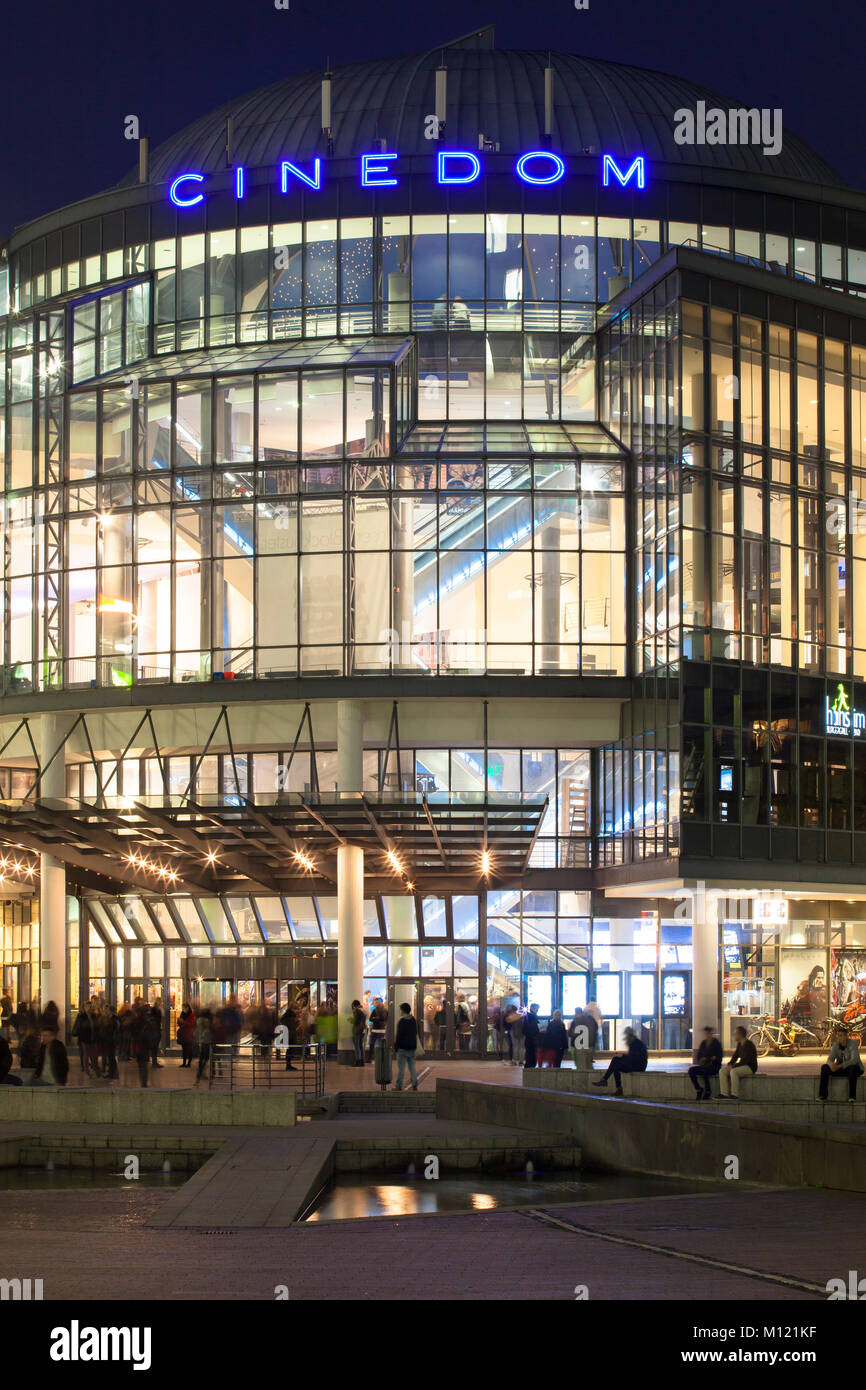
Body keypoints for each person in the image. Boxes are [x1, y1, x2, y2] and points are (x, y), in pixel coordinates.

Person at [592, 1027, 648, 1095]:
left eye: (626, 1036)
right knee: (616, 1066)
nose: (625, 1038)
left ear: (630, 1036)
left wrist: (622, 1056)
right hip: (636, 1064)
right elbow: (632, 1058)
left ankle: (606, 1081)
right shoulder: (635, 1043)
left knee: (615, 1060)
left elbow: (633, 1058)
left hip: (638, 1067)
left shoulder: (636, 1044)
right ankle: (616, 1087)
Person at [819, 1026, 864, 1102]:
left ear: (846, 1036)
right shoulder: (835, 1045)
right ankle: (822, 1095)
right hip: (840, 1069)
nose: (839, 1038)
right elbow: (829, 1059)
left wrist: (840, 1065)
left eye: (841, 1036)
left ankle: (852, 1097)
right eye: (838, 1036)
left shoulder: (852, 1044)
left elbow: (854, 1060)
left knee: (852, 1068)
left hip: (853, 1068)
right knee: (824, 1067)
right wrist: (831, 1066)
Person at [718, 1026, 758, 1098]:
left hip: (750, 1067)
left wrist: (733, 1066)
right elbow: (735, 1056)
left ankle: (734, 1094)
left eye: (735, 1034)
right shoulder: (739, 1044)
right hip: (742, 1065)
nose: (734, 1036)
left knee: (734, 1072)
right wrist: (730, 1064)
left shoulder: (749, 1045)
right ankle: (724, 1093)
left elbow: (746, 1060)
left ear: (740, 1035)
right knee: (722, 1071)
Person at [688, 1026, 724, 1100]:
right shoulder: (703, 1043)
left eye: (709, 1033)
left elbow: (718, 1057)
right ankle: (698, 1088)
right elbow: (699, 1056)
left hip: (714, 1066)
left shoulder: (716, 1044)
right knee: (691, 1070)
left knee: (705, 1071)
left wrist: (710, 1059)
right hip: (705, 1065)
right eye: (706, 1034)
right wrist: (702, 1060)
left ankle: (708, 1090)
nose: (707, 1035)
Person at [393, 1002, 419, 1091]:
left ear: (403, 1010)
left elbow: (399, 1036)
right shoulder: (413, 1020)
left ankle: (398, 1086)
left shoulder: (402, 1021)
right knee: (412, 1067)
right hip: (411, 1047)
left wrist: (396, 1047)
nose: (400, 1011)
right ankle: (415, 1083)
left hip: (402, 1048)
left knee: (401, 1069)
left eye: (401, 1010)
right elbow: (415, 1033)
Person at [177, 1002, 196, 1068]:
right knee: (184, 1049)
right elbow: (179, 1023)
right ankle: (184, 1063)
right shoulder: (182, 1013)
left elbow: (192, 1024)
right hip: (183, 1034)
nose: (183, 1009)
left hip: (189, 1034)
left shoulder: (191, 1015)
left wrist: (183, 1022)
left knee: (189, 1049)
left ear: (187, 1008)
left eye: (184, 1008)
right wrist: (179, 1021)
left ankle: (189, 1063)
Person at [523, 1002, 541, 1069]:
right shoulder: (532, 1016)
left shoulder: (528, 1016)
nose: (537, 1010)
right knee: (531, 1055)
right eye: (537, 1008)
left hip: (529, 1039)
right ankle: (530, 1068)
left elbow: (524, 1030)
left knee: (529, 1054)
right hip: (531, 1039)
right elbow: (532, 1028)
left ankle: (529, 1067)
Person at [351, 999, 367, 1066]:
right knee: (361, 1045)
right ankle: (362, 1061)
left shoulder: (357, 1011)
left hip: (357, 1030)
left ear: (354, 1005)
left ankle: (358, 1061)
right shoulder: (364, 1010)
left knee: (357, 1046)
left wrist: (351, 1019)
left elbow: (355, 1021)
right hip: (363, 1030)